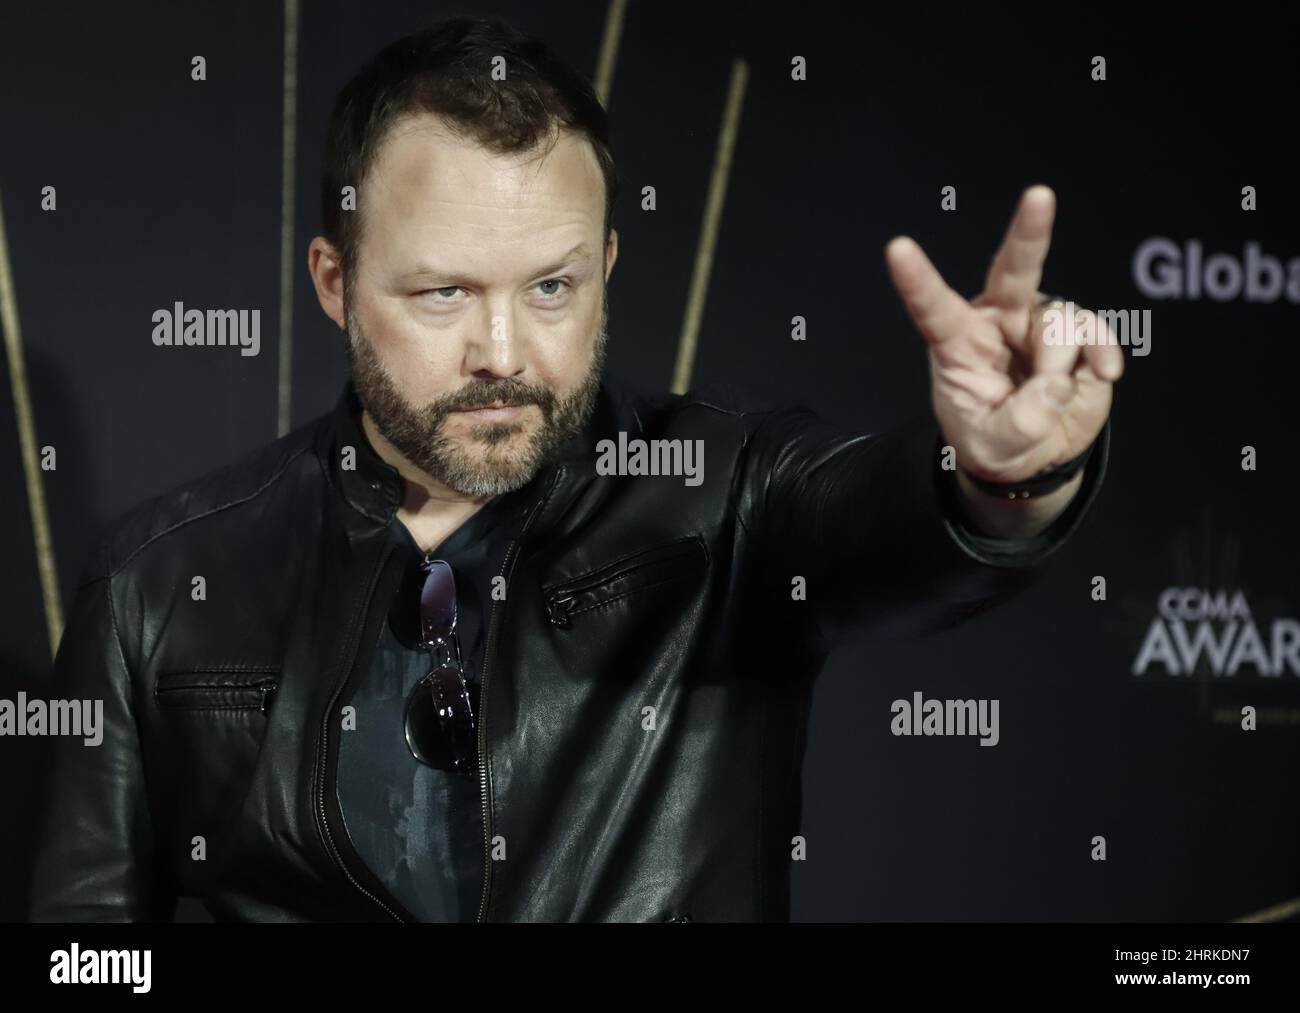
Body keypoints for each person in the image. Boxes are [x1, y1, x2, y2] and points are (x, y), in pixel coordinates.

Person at [28, 15, 1120, 922]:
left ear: (603, 264)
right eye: (442, 293)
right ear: (333, 279)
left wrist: (1003, 475)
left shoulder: (726, 496)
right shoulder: (159, 584)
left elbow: (893, 526)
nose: (503, 352)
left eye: (549, 287)